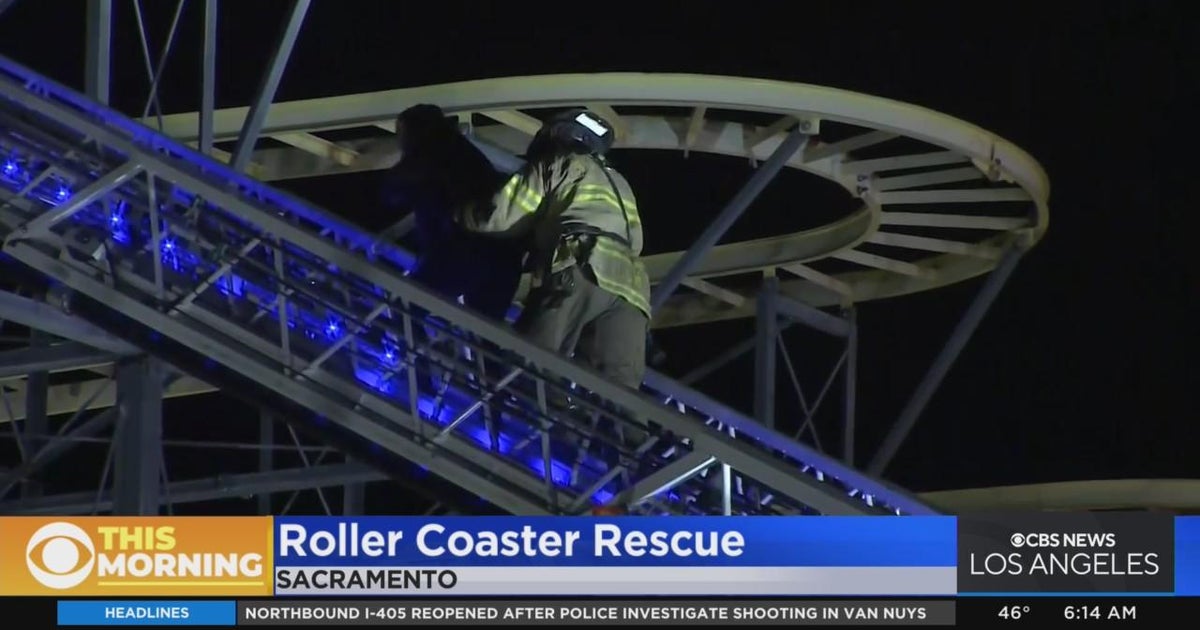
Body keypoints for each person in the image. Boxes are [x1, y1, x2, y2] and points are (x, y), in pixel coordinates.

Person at [455, 109, 650, 391]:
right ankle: (607, 435)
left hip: (585, 265)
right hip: (633, 289)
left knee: (533, 363)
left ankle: (533, 425)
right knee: (619, 393)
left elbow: (500, 216)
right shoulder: (620, 183)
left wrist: (460, 213)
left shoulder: (560, 163)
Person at [382, 104, 525, 323]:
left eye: (400, 133)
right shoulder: (464, 152)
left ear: (413, 132)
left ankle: (413, 355)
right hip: (505, 256)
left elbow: (392, 191)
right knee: (486, 337)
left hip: (464, 252)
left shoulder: (428, 154)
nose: (399, 140)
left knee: (406, 306)